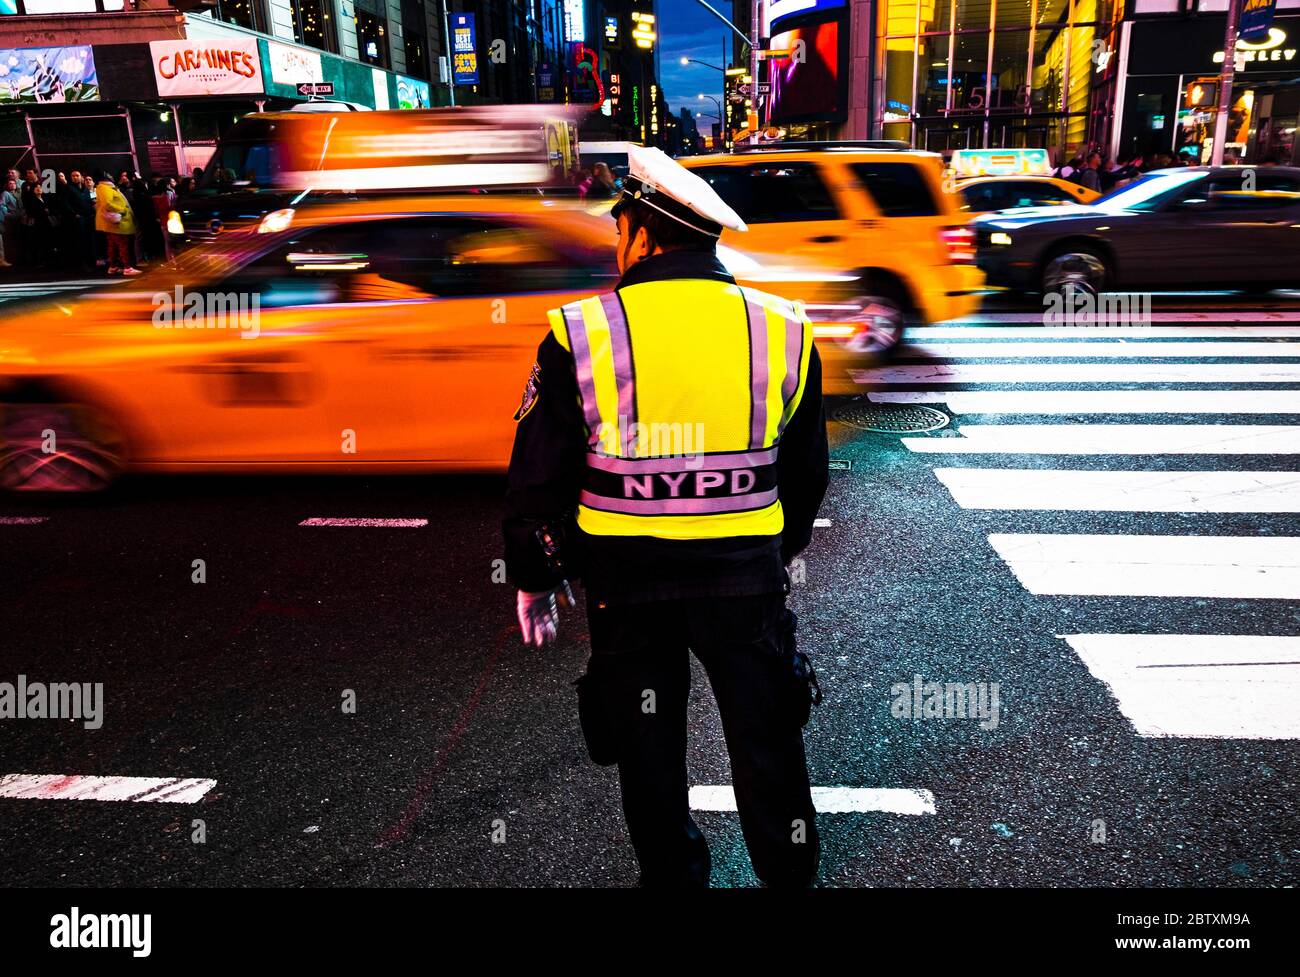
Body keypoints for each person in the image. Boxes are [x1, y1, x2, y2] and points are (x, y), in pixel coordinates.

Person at [503, 146, 829, 888]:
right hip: (743, 578)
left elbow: (538, 474)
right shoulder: (782, 326)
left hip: (626, 582)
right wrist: (776, 550)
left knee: (648, 745)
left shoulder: (580, 330)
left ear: (645, 233)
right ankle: (789, 872)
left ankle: (676, 877)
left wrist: (536, 574)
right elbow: (806, 473)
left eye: (622, 226)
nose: (617, 242)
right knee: (766, 735)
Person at [94, 171, 140, 276]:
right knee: (122, 244)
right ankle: (127, 268)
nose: (111, 176)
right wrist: (122, 210)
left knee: (113, 245)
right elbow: (107, 204)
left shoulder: (106, 188)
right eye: (108, 175)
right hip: (117, 222)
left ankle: (113, 267)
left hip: (113, 222)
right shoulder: (105, 188)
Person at [0, 175, 22, 269]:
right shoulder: (6, 193)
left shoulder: (17, 193)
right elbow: (1, 205)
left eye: (14, 183)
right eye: (10, 183)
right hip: (11, 218)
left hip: (20, 217)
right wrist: (7, 214)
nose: (12, 185)